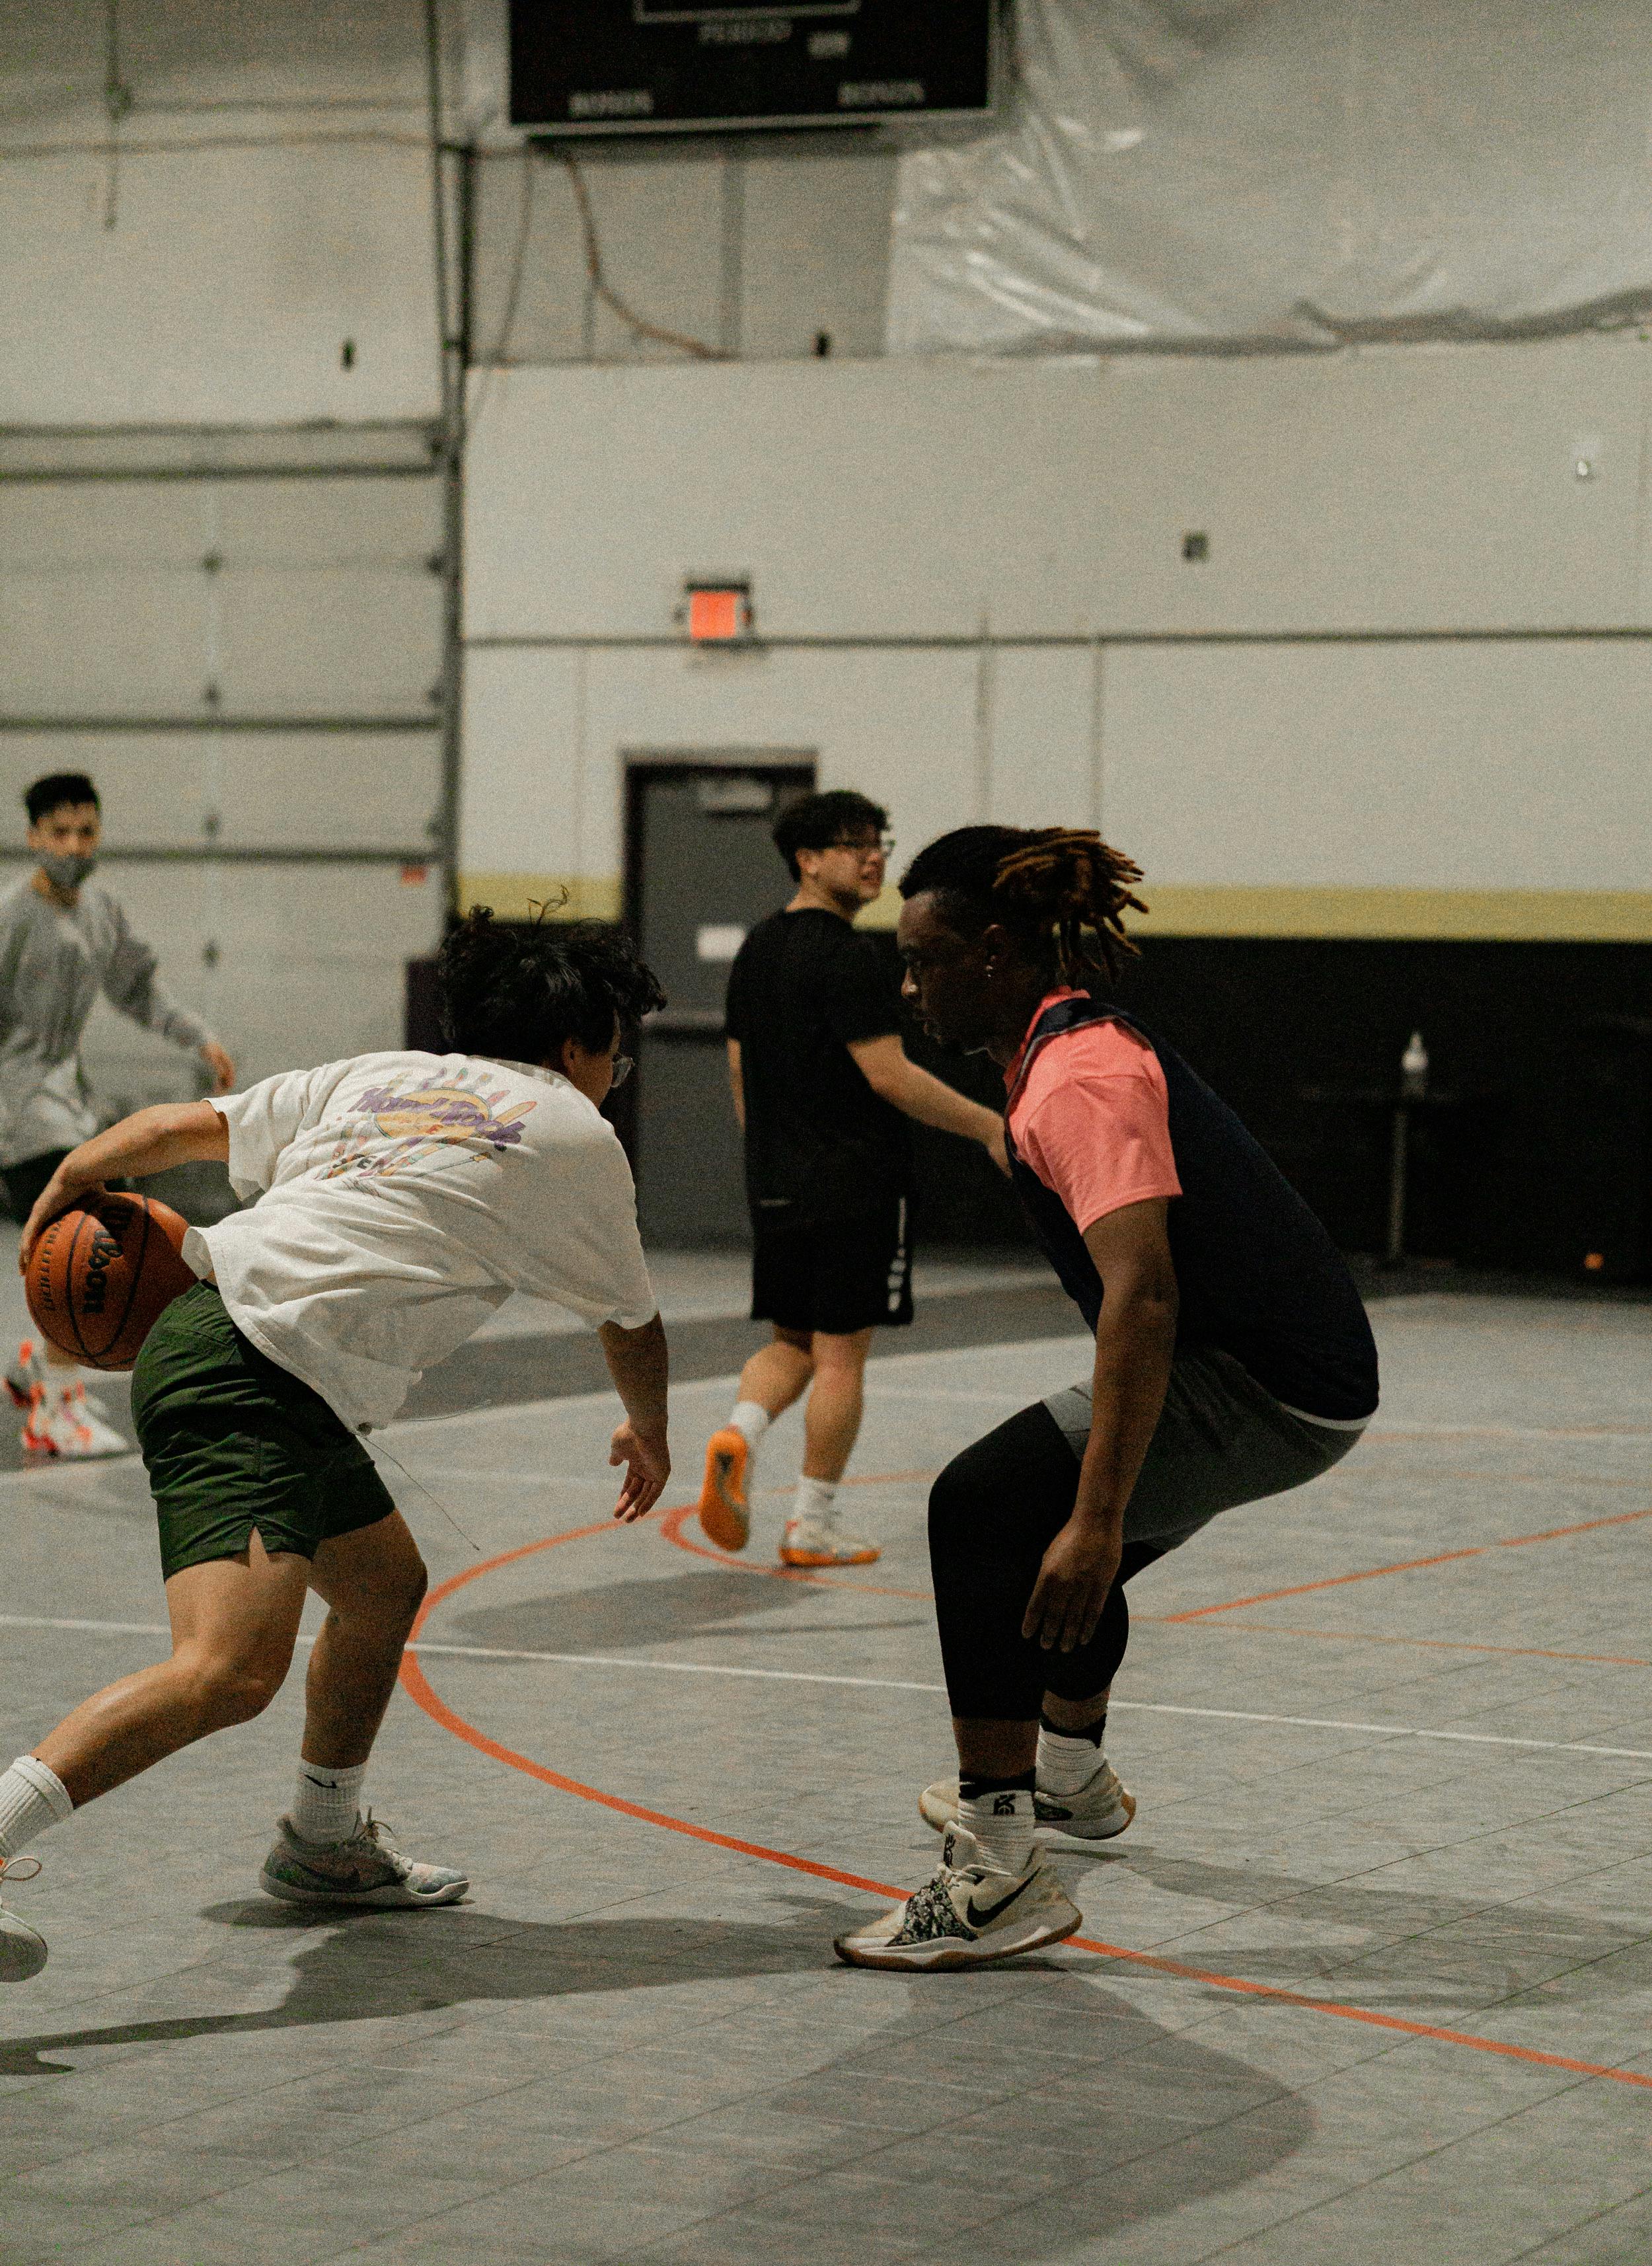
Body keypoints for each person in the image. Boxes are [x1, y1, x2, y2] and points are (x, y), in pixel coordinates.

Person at [0, 907, 669, 1985]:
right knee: (225, 1671)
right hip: (249, 1367)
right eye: (615, 1052)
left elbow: (180, 1129)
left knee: (384, 1585)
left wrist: (70, 1180)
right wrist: (650, 1428)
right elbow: (631, 1319)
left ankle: (322, 1841)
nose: (614, 1073)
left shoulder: (383, 1074)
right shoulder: (573, 1130)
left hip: (247, 1349)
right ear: (578, 1048)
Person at [835, 827, 1379, 1970]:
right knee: (1054, 1553)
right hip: (1286, 1370)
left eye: (923, 957)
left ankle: (996, 1871)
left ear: (992, 952)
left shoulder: (1079, 1074)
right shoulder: (1058, 1051)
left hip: (1272, 1385)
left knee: (986, 1512)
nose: (908, 981)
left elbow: (1144, 1297)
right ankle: (1070, 1781)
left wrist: (1094, 1514)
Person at [700, 790, 1008, 1569]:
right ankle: (811, 1523)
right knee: (840, 1358)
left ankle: (741, 1428)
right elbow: (890, 1076)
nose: (873, 857)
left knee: (791, 1343)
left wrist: (767, 1158)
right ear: (807, 859)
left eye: (878, 841)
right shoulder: (850, 957)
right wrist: (990, 1126)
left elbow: (740, 1068)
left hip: (775, 1180)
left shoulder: (758, 948)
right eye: (852, 844)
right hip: (854, 1184)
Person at [1, 773, 236, 1458]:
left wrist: (198, 1035)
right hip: (18, 1111)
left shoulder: (103, 909)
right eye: (60, 832)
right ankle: (57, 1407)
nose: (74, 845)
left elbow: (138, 988)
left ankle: (42, 1368)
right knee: (84, 1244)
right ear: (33, 837)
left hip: (68, 1102)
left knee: (100, 1240)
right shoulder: (13, 917)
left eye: (86, 831)